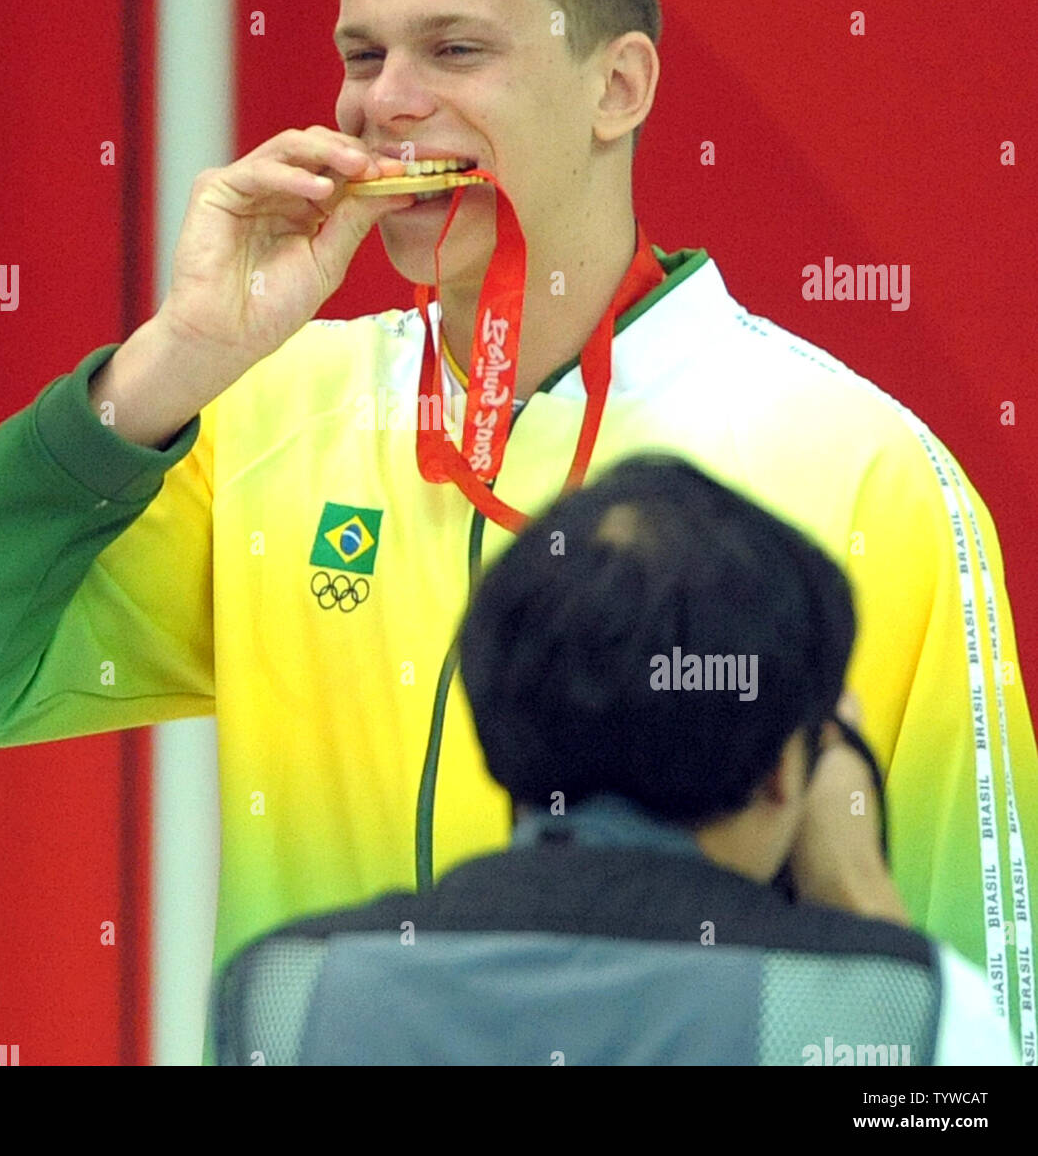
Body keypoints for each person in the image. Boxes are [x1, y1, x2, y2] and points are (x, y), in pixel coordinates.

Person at [0, 0, 1036, 1059]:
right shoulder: (261, 415)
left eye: (454, 49)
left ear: (618, 86)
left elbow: (972, 1015)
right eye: (361, 55)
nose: (383, 101)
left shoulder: (859, 463)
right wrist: (167, 365)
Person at [214, 454, 1019, 1066]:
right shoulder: (902, 1014)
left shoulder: (287, 991)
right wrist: (860, 899)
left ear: (499, 732)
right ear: (784, 772)